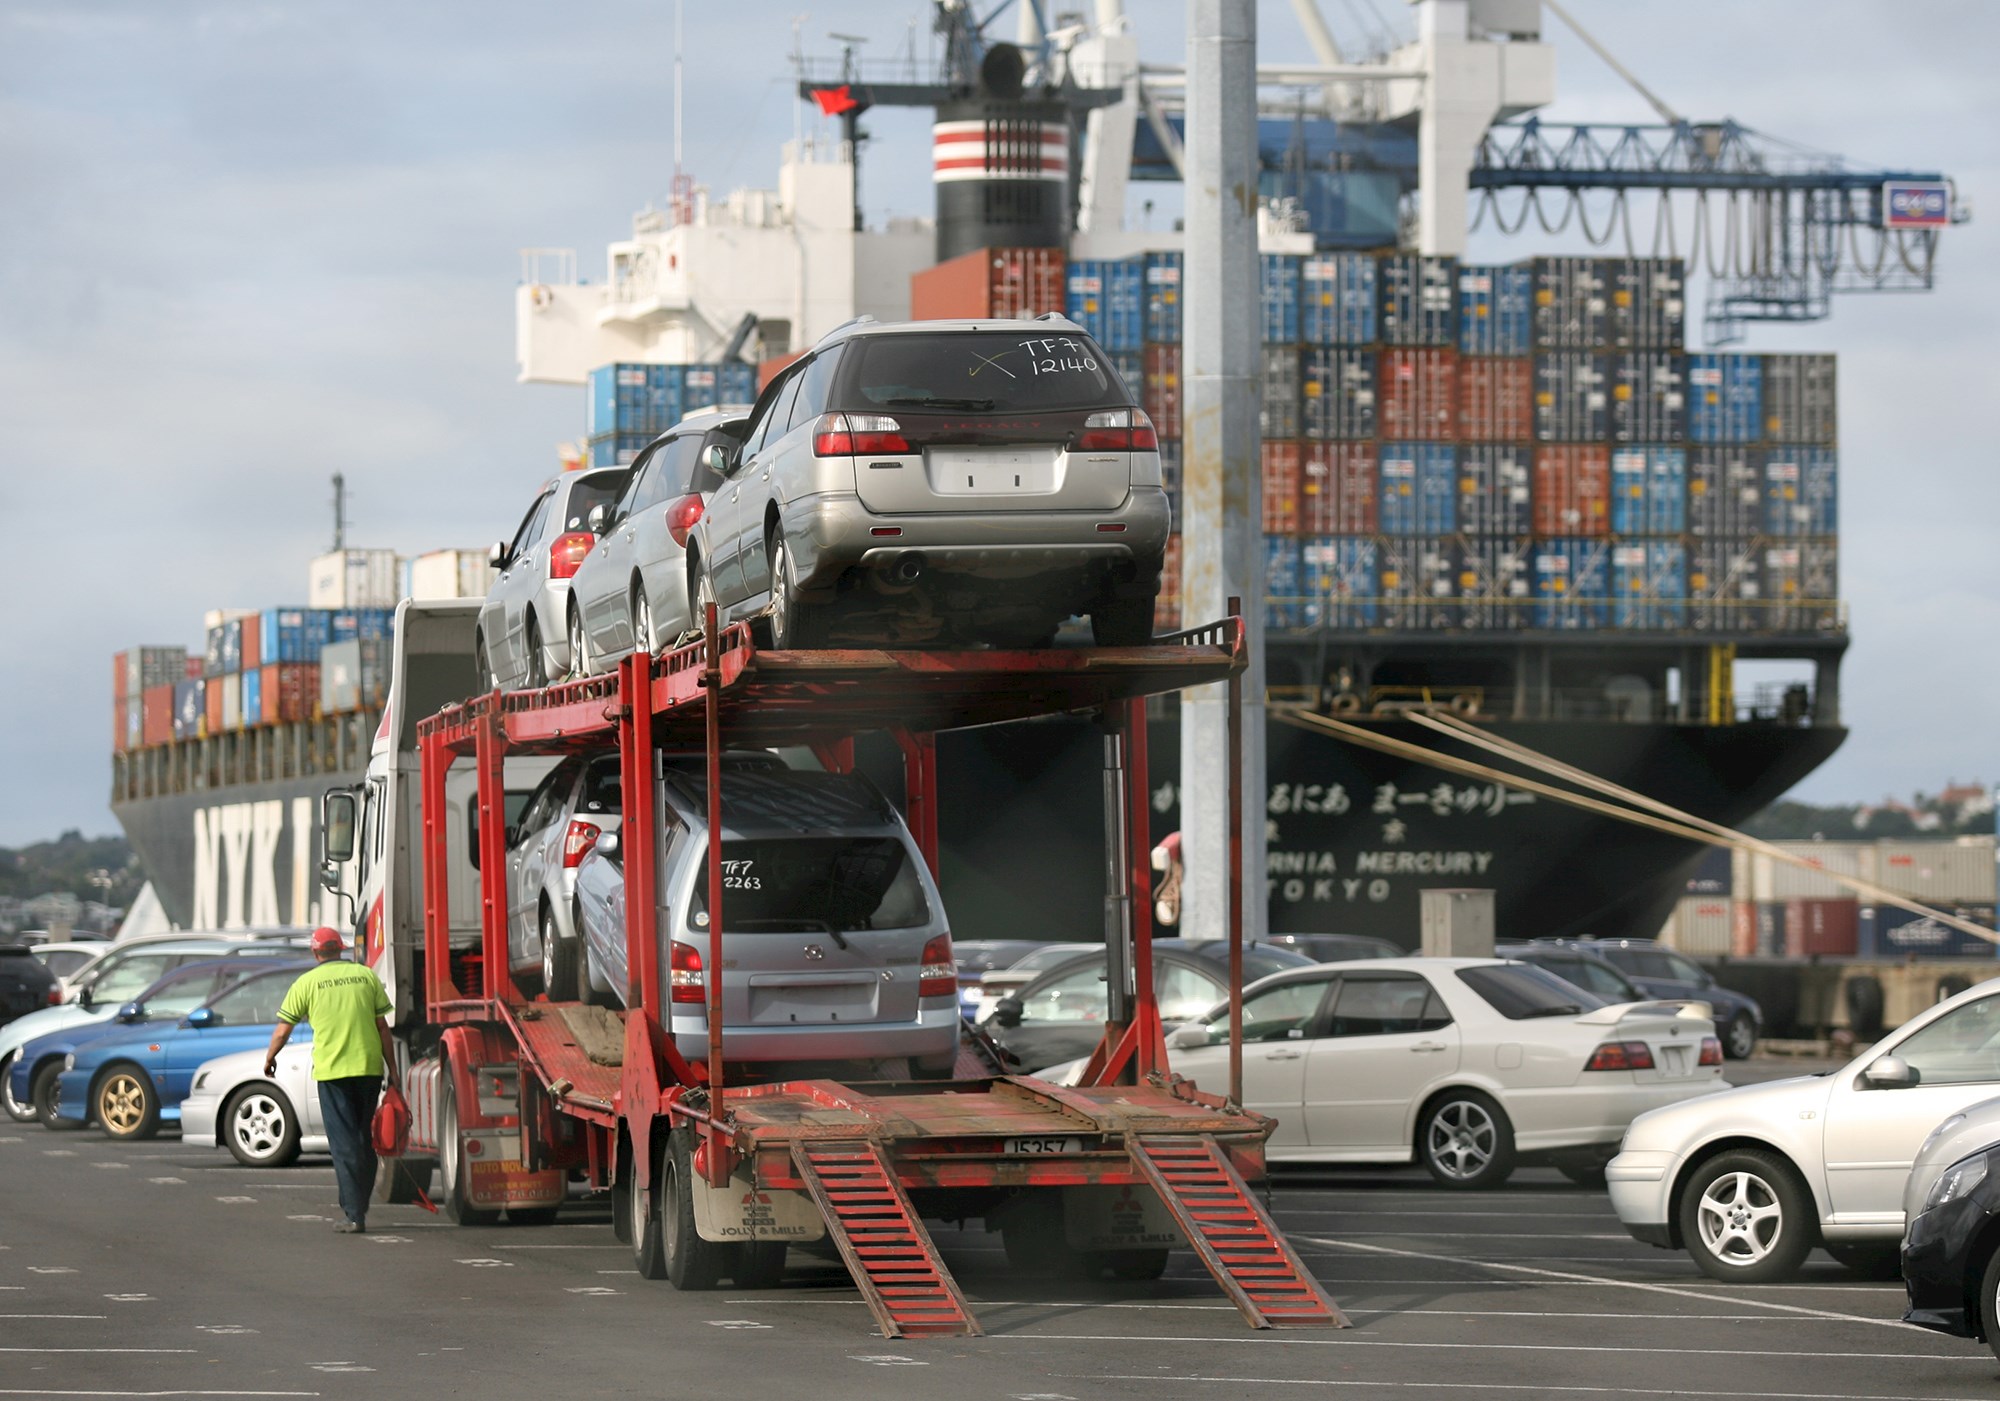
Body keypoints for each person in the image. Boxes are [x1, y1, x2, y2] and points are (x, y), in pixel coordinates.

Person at [264, 926, 396, 1234]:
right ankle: (358, 1203)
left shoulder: (306, 983)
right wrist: (394, 1070)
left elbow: (283, 1030)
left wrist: (270, 1058)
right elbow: (383, 1028)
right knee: (364, 1140)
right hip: (368, 1069)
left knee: (344, 1144)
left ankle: (354, 1214)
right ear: (341, 949)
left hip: (333, 1073)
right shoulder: (365, 976)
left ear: (315, 952)